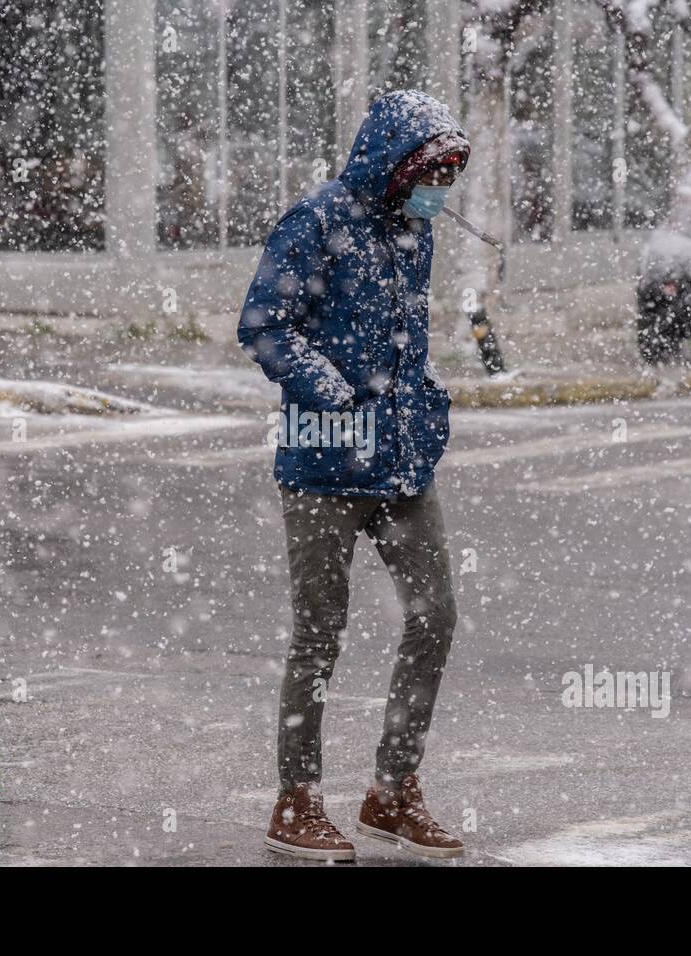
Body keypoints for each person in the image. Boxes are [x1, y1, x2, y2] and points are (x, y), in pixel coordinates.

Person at [238, 90, 470, 862]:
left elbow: (406, 340)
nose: (440, 188)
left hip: (403, 463)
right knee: (318, 634)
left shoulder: (416, 232)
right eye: (433, 171)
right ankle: (295, 800)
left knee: (435, 615)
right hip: (322, 463)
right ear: (397, 166)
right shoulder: (316, 222)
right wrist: (331, 390)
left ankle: (393, 791)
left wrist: (423, 400)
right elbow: (265, 325)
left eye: (449, 174)